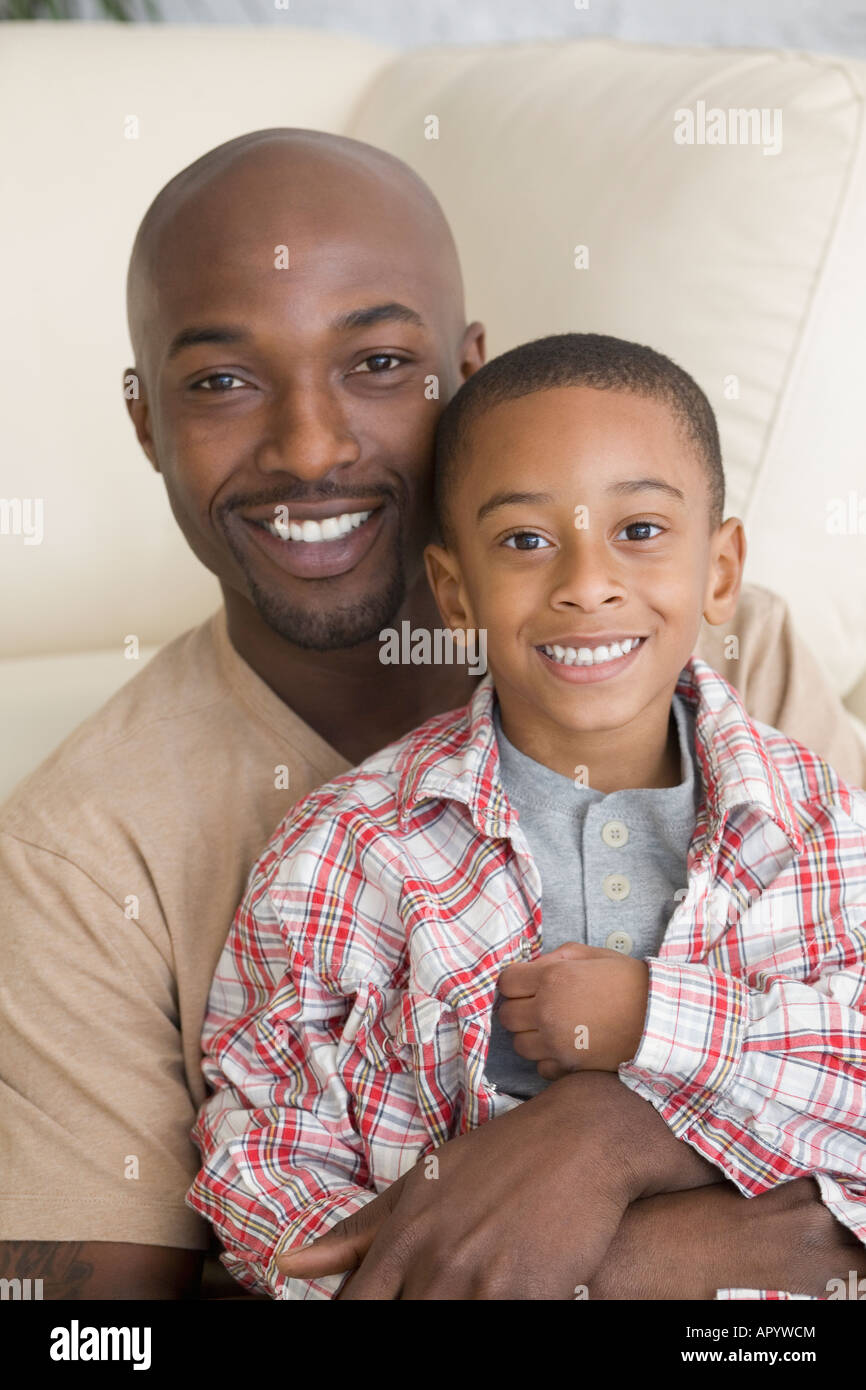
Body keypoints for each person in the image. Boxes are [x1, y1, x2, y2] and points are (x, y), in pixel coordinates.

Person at [0, 132, 863, 1302]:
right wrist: (622, 1268)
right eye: (218, 381)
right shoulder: (82, 851)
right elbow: (80, 1341)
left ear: (463, 373)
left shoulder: (729, 657)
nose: (309, 447)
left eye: (378, 361)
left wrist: (603, 1138)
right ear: (144, 415)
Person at [188, 333, 866, 1301]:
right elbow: (264, 1164)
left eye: (638, 531)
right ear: (455, 590)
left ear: (720, 569)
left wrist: (650, 1019)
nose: (585, 583)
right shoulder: (344, 853)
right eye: (523, 541)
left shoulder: (818, 832)